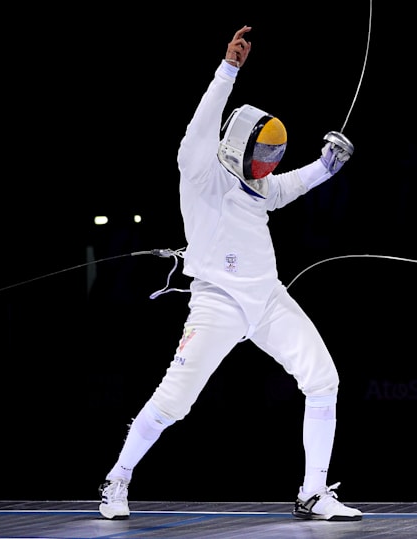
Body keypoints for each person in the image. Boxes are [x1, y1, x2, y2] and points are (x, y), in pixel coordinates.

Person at [97, 25, 362, 522]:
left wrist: (326, 166)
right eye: (263, 154)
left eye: (273, 156)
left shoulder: (258, 186)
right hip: (217, 303)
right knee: (174, 403)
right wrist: (228, 70)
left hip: (267, 301)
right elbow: (202, 125)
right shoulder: (201, 171)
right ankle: (118, 479)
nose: (268, 163)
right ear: (240, 145)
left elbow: (291, 185)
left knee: (323, 379)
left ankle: (313, 493)